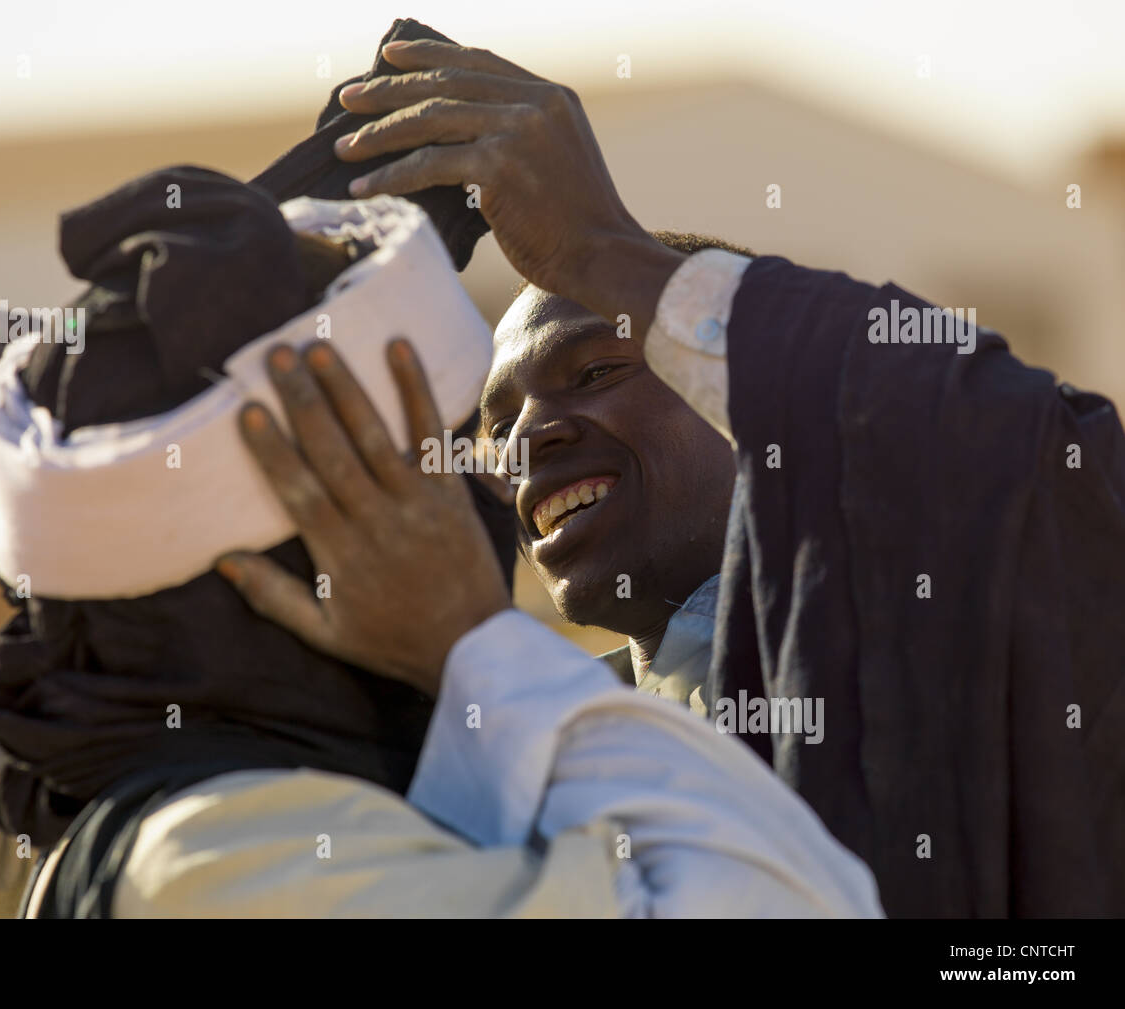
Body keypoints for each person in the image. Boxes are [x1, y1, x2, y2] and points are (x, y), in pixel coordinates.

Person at [0, 167, 881, 918]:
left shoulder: (942, 673)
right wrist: (473, 641)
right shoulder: (266, 833)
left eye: (598, 371)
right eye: (468, 428)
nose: (510, 451)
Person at [259, 36, 1124, 917]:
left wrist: (604, 249)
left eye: (595, 373)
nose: (528, 439)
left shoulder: (945, 638)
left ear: (738, 406)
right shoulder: (515, 752)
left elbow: (1029, 455)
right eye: (495, 425)